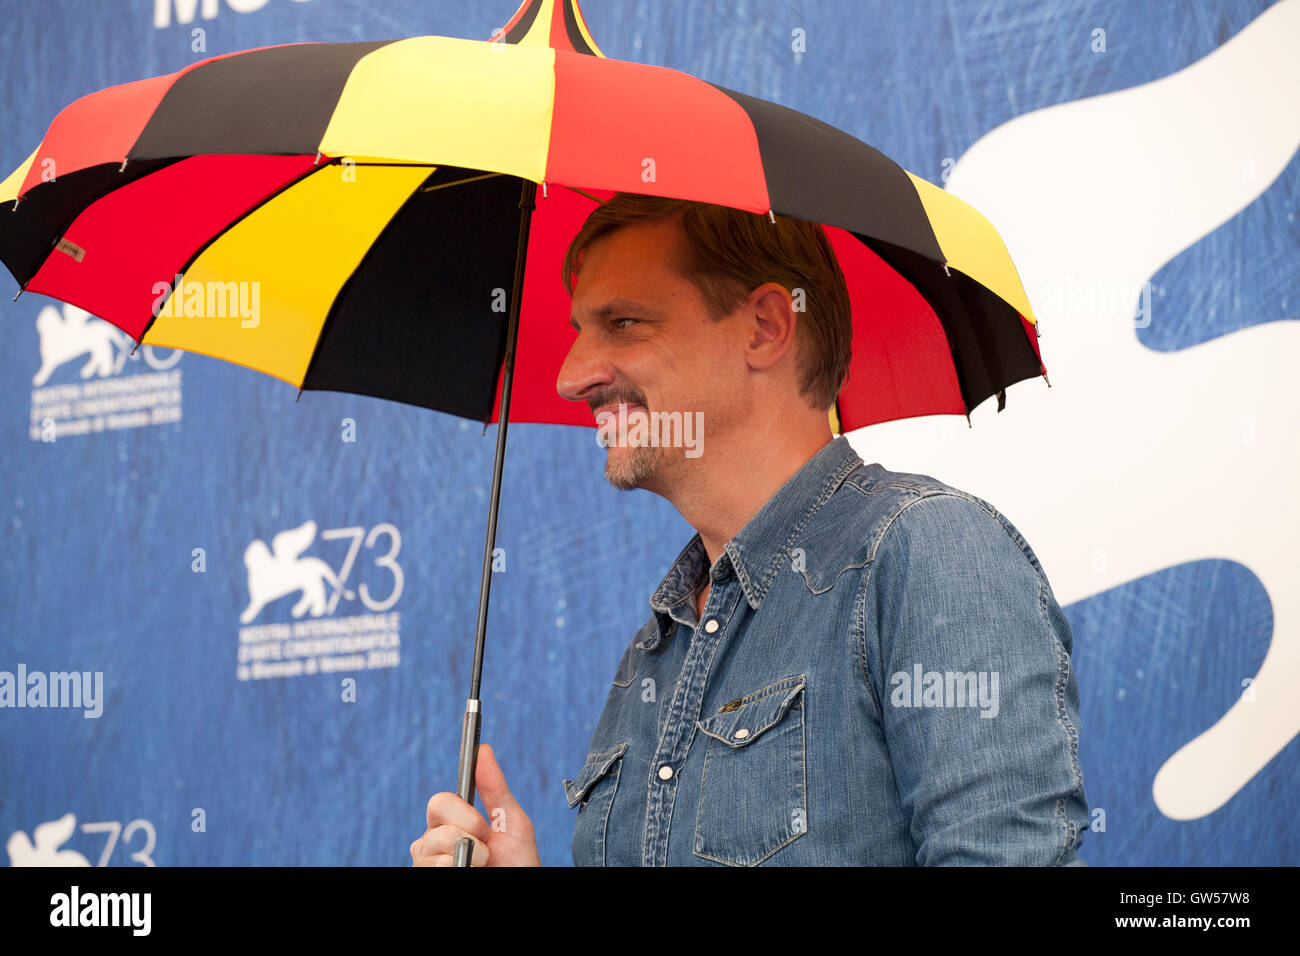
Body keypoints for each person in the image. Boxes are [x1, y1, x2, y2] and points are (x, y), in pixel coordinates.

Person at [411, 193, 1089, 867]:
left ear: (765, 326)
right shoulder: (657, 646)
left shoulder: (927, 552)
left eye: (622, 323)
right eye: (581, 330)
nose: (571, 375)